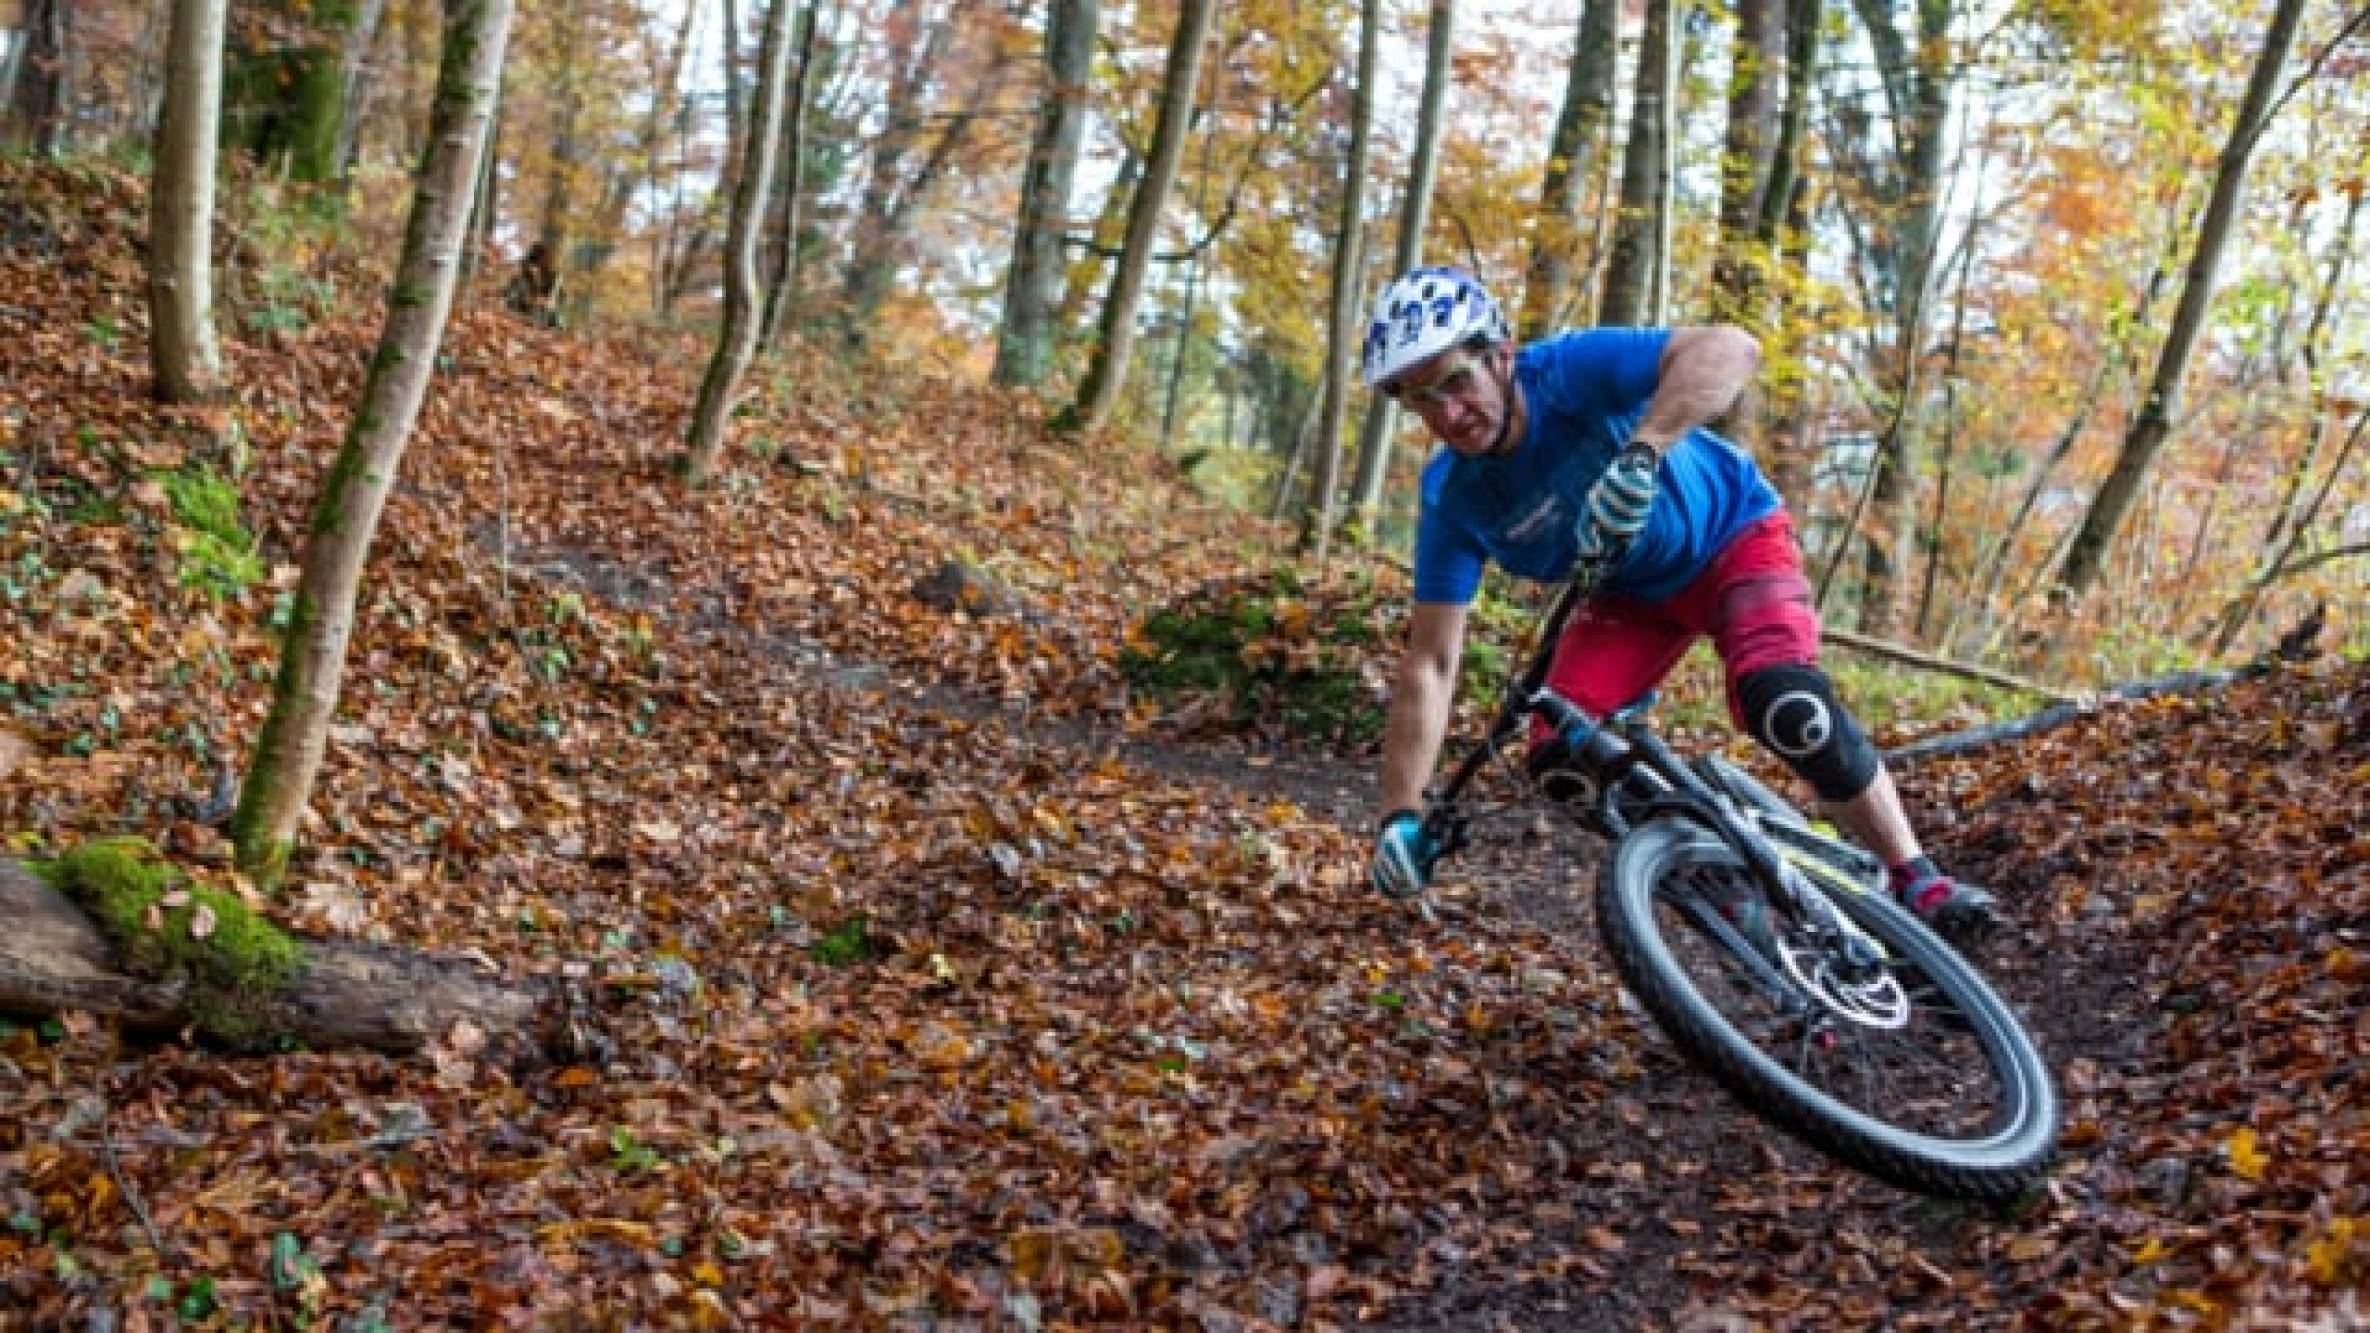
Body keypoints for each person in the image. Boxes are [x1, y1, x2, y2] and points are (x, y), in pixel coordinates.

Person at [1360, 265, 1996, 945]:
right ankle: (1756, 927)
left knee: (1783, 702)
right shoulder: (1453, 497)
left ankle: (1917, 876)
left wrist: (1643, 451)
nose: (1448, 414)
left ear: (1500, 354)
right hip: (1625, 600)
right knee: (1561, 758)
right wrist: (1401, 813)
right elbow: (1430, 661)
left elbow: (1730, 346)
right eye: (1421, 400)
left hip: (1733, 537)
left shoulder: (1569, 372)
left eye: (1457, 381)